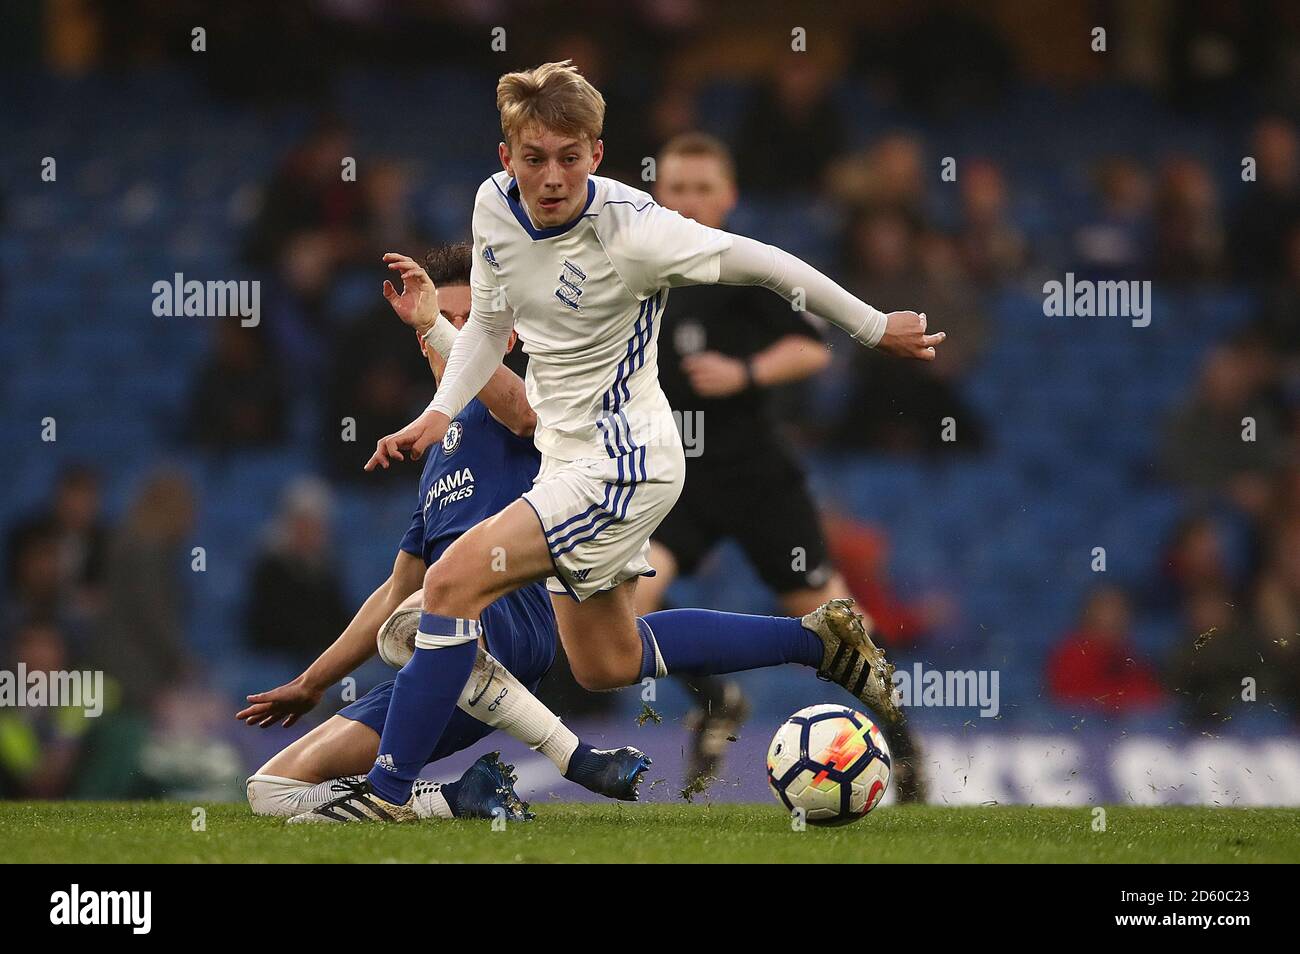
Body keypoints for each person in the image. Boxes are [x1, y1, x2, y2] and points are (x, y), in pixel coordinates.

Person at [317, 60, 942, 822]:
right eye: (535, 157)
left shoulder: (635, 231)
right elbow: (485, 324)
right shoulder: (492, 208)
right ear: (506, 155)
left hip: (625, 466)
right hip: (569, 463)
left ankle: (382, 799)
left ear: (597, 154)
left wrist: (875, 327)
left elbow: (766, 264)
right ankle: (822, 643)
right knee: (607, 661)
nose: (552, 177)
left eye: (570, 158)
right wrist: (440, 415)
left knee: (446, 586)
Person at [239, 245, 650, 822]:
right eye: (446, 319)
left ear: (504, 337)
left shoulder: (520, 406)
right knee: (270, 792)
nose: (458, 332)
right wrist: (312, 682)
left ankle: (573, 755)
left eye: (471, 322)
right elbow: (391, 591)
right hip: (434, 655)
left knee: (429, 602)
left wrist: (441, 329)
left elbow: (528, 416)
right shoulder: (436, 452)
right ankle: (460, 799)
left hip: (507, 625)